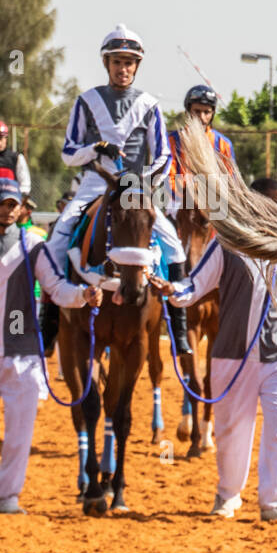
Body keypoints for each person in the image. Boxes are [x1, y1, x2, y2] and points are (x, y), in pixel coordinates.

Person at [45, 24, 192, 356]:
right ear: (106, 64)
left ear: (136, 66)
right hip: (95, 183)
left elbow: (164, 156)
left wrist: (139, 182)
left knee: (173, 244)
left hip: (135, 187)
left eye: (129, 63)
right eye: (117, 62)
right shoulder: (86, 101)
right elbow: (69, 153)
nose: (123, 69)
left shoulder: (150, 104)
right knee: (57, 235)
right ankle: (49, 322)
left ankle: (179, 330)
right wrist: (97, 148)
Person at [0, 179, 101, 514]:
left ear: (22, 208)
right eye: (1, 203)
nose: (8, 209)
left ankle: (6, 495)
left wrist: (82, 296)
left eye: (14, 204)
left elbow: (56, 287)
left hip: (22, 356)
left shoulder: (33, 246)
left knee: (18, 433)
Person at [151, 232, 277, 519]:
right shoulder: (226, 243)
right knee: (232, 431)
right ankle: (228, 494)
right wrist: (173, 289)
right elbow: (195, 283)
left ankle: (274, 502)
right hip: (232, 357)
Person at [166, 85, 238, 219]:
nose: (201, 117)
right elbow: (169, 175)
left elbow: (230, 179)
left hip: (215, 202)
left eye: (207, 112)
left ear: (213, 113)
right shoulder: (173, 140)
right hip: (180, 201)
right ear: (188, 112)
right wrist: (185, 198)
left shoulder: (223, 143)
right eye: (197, 111)